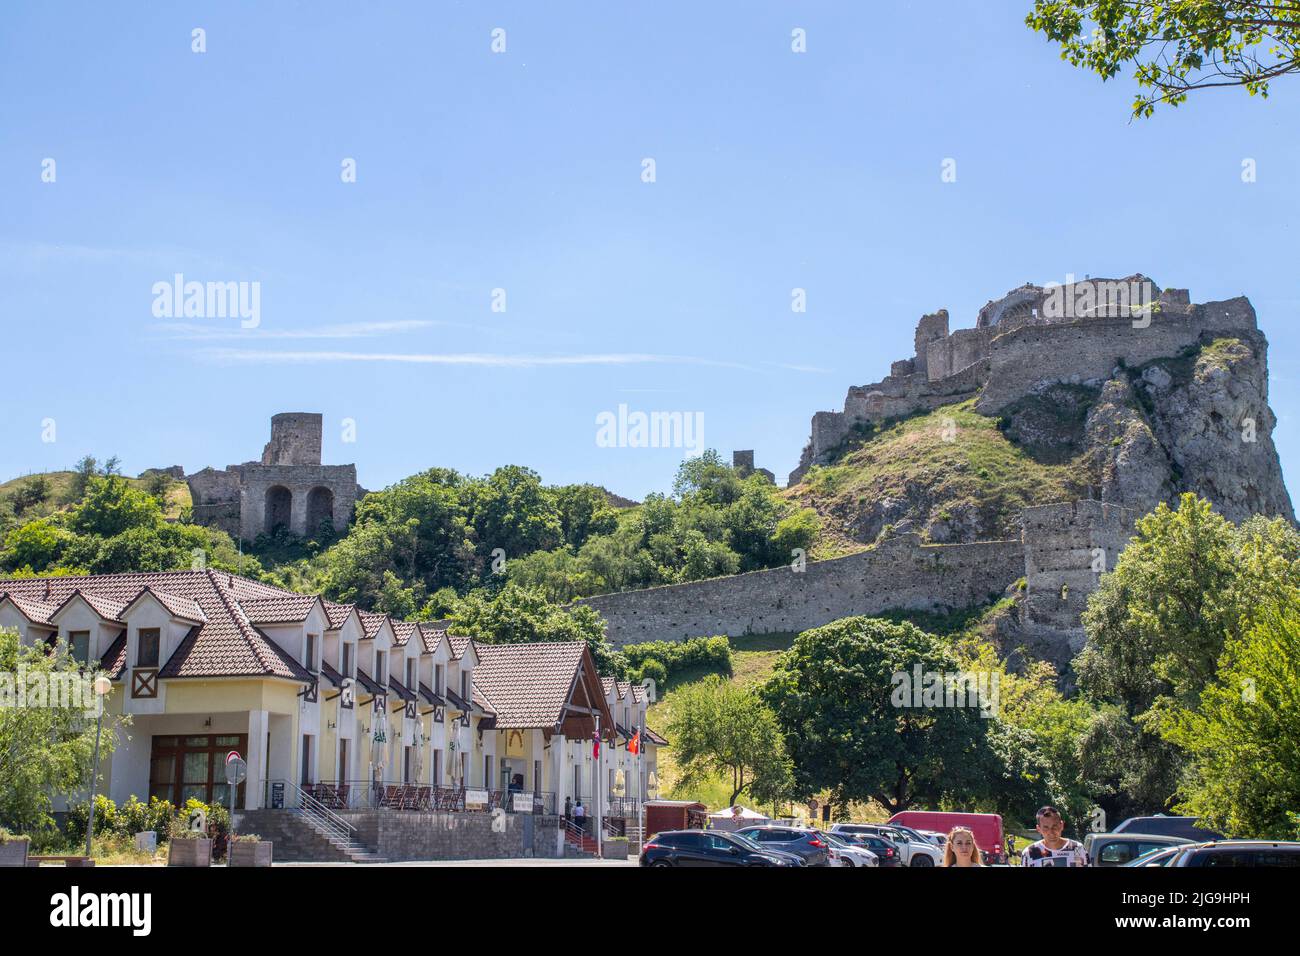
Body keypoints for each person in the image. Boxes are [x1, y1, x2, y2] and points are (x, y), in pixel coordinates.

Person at [1020, 806, 1088, 867]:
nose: (1051, 832)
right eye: (1046, 827)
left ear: (1062, 825)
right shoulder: (1029, 853)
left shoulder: (1078, 849)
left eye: (1054, 826)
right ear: (1039, 829)